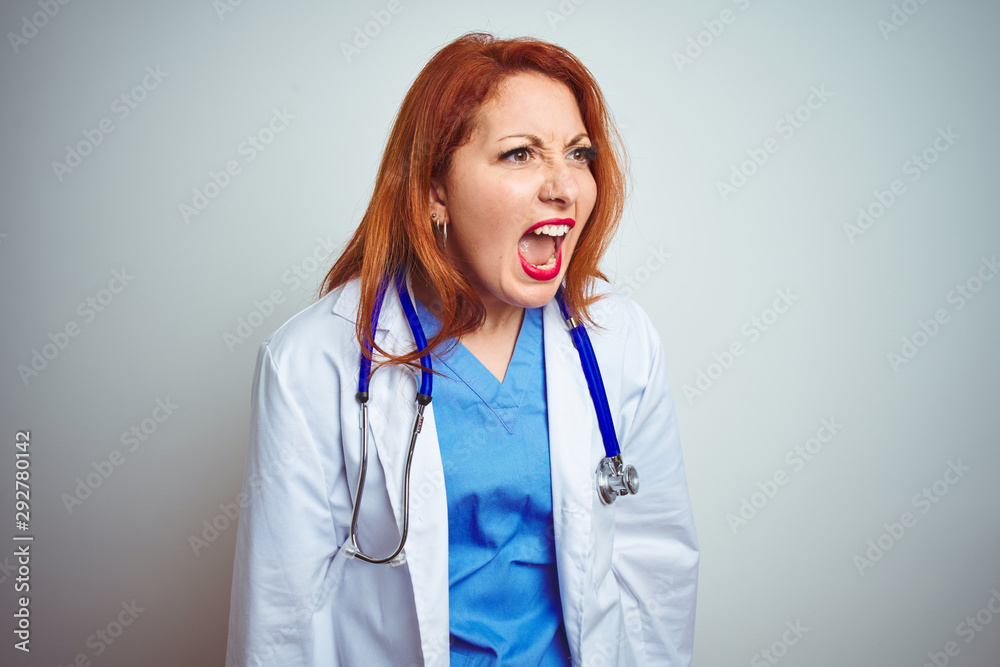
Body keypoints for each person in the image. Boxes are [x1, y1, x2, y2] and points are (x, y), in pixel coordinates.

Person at [225, 32, 699, 667]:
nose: (564, 187)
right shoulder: (314, 360)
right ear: (434, 191)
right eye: (519, 155)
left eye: (578, 153)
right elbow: (282, 617)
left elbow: (656, 572)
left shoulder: (619, 341)